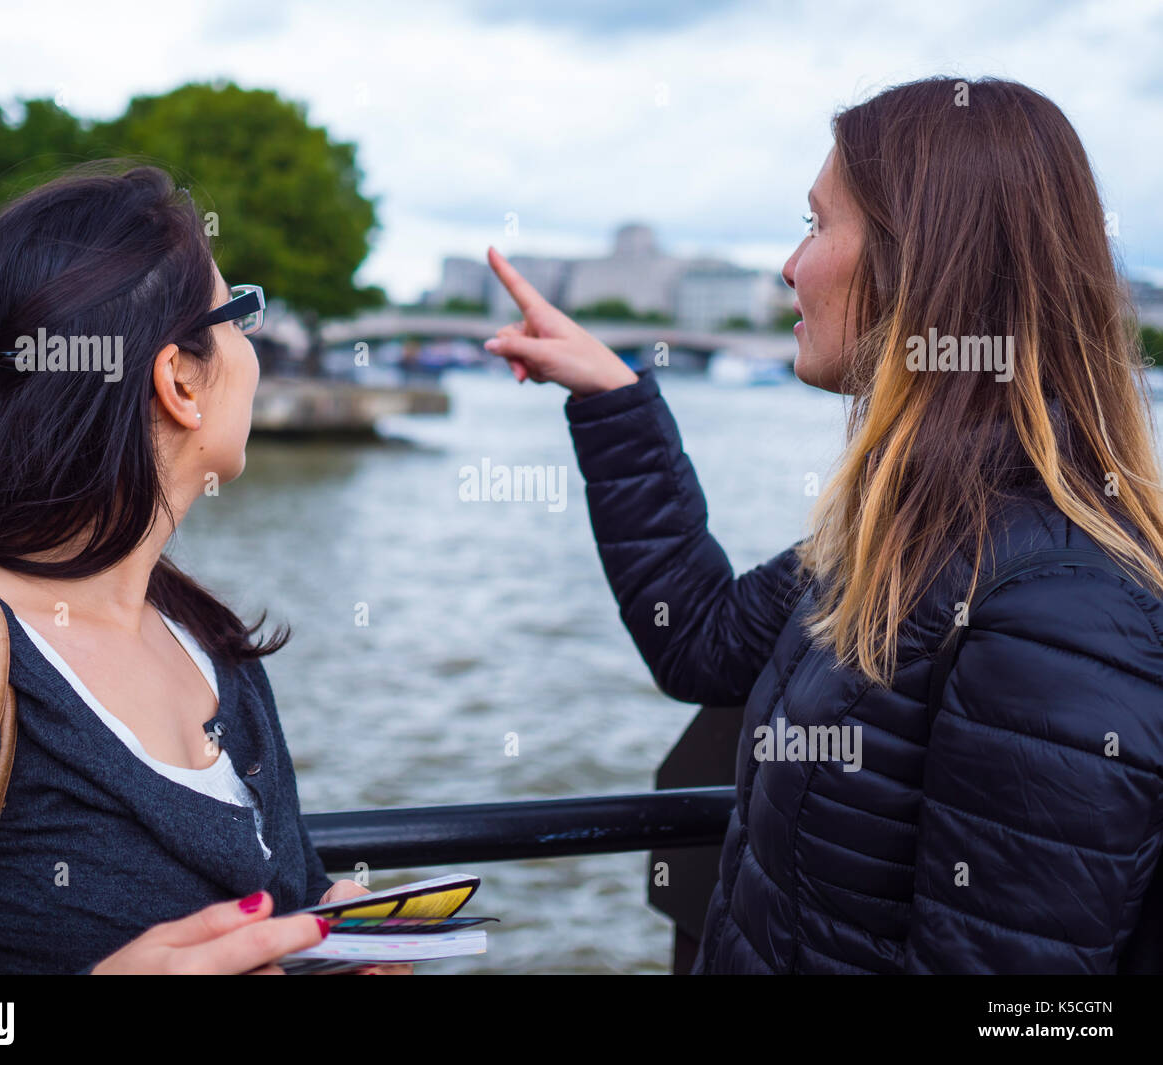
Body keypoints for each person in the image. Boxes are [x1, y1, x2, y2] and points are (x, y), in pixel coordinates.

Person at [482, 76, 1163, 974]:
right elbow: (700, 639)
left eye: (815, 224)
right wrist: (613, 399)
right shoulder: (911, 530)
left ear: (918, 258)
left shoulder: (1057, 609)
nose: (788, 268)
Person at [0, 164, 406, 974]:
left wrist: (320, 941)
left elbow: (288, 893)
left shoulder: (205, 639)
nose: (252, 351)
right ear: (179, 379)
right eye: (240, 316)